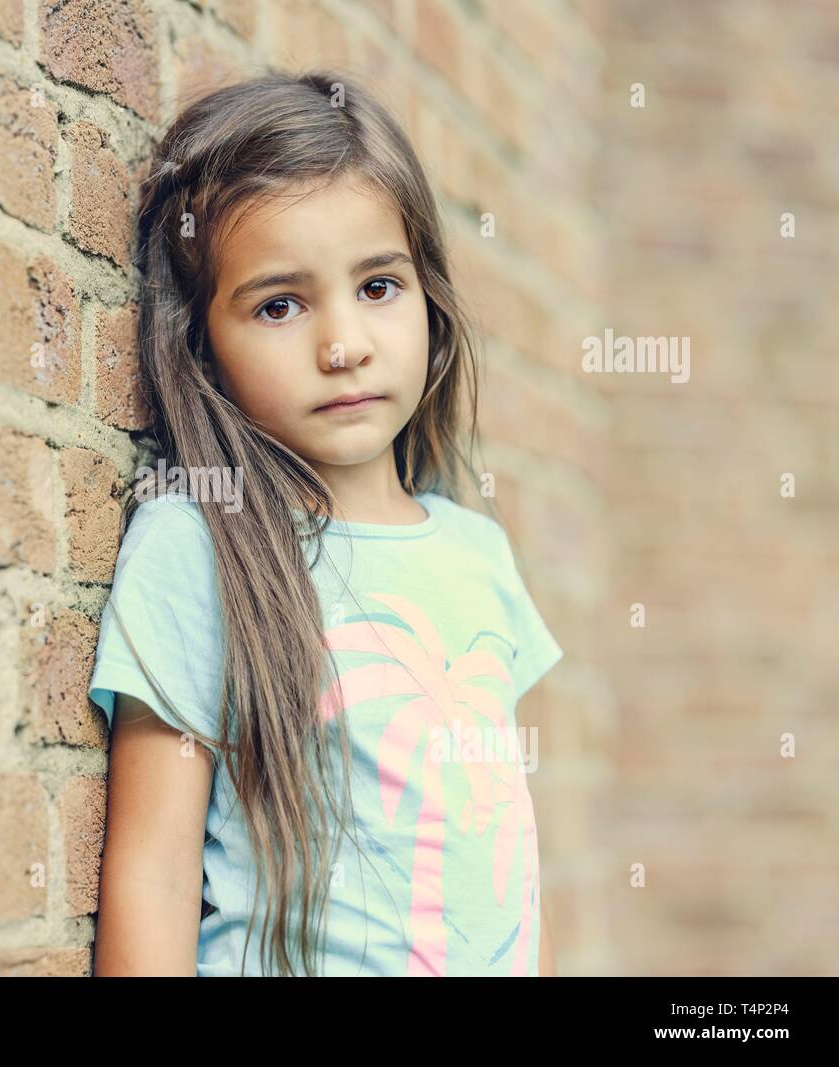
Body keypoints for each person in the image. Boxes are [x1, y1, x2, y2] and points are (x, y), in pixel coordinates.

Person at [88, 70, 563, 977]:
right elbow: (153, 869)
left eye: (378, 287)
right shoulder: (200, 543)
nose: (342, 343)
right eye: (279, 304)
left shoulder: (479, 553)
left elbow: (506, 859)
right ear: (202, 346)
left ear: (429, 297)